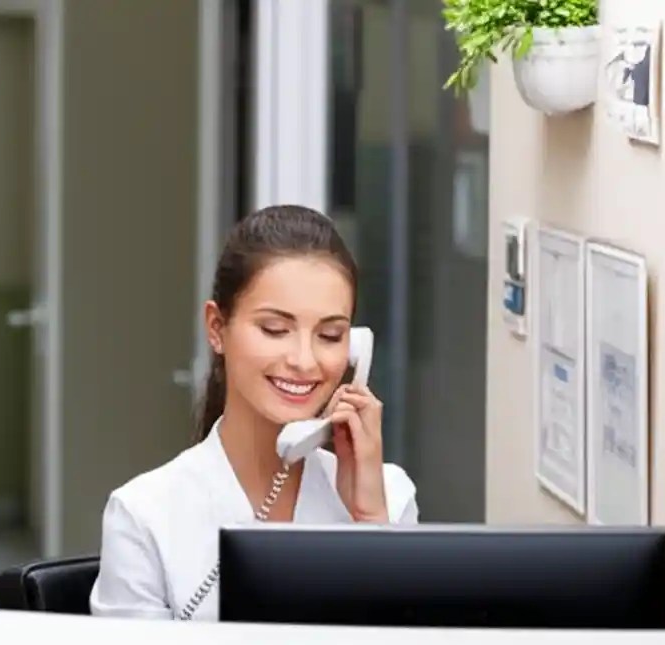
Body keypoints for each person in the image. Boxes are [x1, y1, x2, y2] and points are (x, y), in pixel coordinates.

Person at [89, 205, 419, 622]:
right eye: (275, 330)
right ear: (216, 328)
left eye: (330, 335)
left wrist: (370, 518)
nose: (304, 360)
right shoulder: (144, 515)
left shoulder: (390, 495)